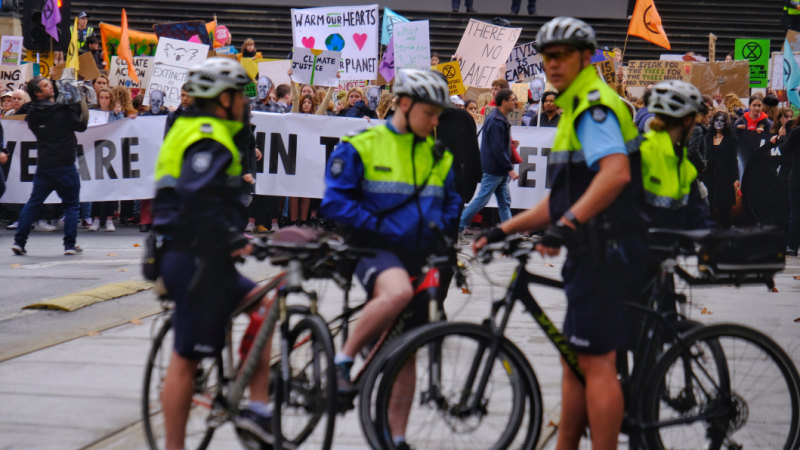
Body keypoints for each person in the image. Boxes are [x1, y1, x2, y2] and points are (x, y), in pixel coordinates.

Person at [473, 17, 646, 449]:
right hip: (590, 253)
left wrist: (566, 226)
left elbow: (615, 175)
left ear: (587, 57)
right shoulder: (573, 110)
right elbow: (562, 200)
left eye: (562, 55)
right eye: (547, 56)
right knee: (575, 362)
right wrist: (503, 231)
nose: (552, 64)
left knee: (596, 362)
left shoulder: (593, 106)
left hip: (608, 250)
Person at [320, 68, 460, 449]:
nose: (435, 122)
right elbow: (334, 202)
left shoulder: (437, 154)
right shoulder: (363, 143)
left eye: (438, 116)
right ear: (403, 104)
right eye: (429, 114)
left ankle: (396, 439)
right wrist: (380, 228)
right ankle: (342, 361)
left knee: (407, 355)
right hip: (372, 249)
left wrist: (443, 232)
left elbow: (451, 201)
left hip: (419, 254)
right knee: (396, 293)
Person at [153, 58, 275, 448]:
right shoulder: (206, 134)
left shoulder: (205, 128)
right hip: (193, 259)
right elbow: (197, 198)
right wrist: (232, 237)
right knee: (187, 360)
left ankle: (256, 406)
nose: (246, 103)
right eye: (241, 96)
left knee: (264, 306)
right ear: (225, 98)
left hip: (205, 256)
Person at [12, 76, 89, 256]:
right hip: (65, 164)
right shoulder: (62, 109)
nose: (51, 87)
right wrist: (77, 103)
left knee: (33, 202)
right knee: (71, 205)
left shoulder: (32, 113)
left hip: (45, 165)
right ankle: (69, 244)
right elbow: (81, 126)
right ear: (38, 93)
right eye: (46, 86)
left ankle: (19, 241)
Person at [638, 80, 712, 229]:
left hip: (671, 247)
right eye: (695, 120)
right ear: (687, 121)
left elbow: (697, 217)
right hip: (644, 248)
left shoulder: (683, 165)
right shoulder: (640, 154)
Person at [458, 88, 519, 242]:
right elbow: (497, 149)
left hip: (497, 169)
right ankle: (457, 226)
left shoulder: (498, 119)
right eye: (512, 99)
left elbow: (498, 145)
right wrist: (509, 169)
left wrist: (510, 144)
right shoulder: (497, 121)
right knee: (483, 199)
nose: (515, 102)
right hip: (495, 169)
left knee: (503, 202)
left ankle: (509, 232)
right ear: (504, 101)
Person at [87, 87, 125, 232]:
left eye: (107, 97)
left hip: (111, 153)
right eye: (101, 97)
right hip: (96, 152)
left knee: (110, 187)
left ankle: (109, 219)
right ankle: (95, 218)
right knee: (96, 186)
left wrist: (119, 114)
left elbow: (122, 128)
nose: (104, 100)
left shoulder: (115, 114)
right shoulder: (93, 113)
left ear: (111, 99)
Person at [705, 110, 740, 228]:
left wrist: (736, 178)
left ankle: (727, 234)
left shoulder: (731, 139)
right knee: (709, 207)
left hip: (725, 178)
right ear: (713, 121)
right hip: (710, 177)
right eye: (717, 120)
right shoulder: (708, 138)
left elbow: (734, 159)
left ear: (726, 123)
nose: (719, 123)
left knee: (724, 209)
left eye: (722, 121)